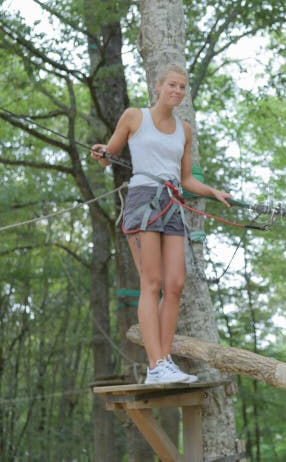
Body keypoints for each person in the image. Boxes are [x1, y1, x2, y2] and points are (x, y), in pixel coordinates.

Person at [92, 64, 232, 385]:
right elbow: (107, 154)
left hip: (172, 202)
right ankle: (155, 365)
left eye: (182, 87)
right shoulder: (134, 117)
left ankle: (163, 362)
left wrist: (212, 192)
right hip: (143, 198)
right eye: (172, 85)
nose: (177, 91)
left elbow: (184, 179)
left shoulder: (184, 130)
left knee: (176, 284)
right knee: (151, 283)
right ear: (158, 86)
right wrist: (99, 153)